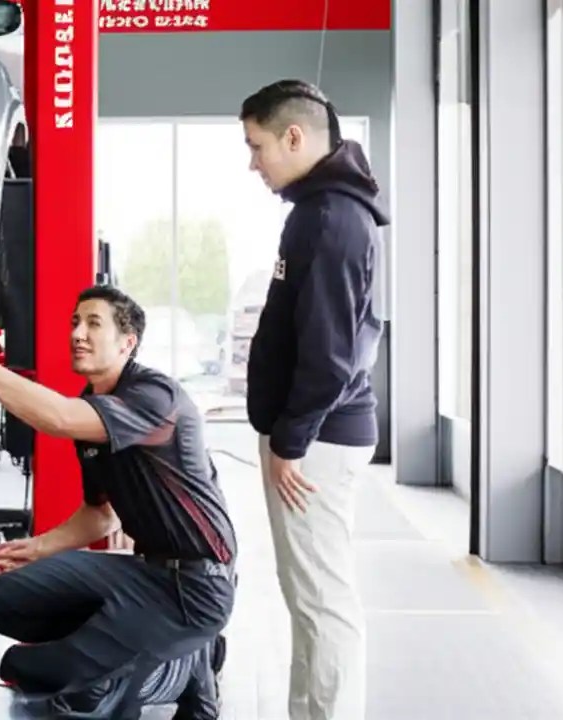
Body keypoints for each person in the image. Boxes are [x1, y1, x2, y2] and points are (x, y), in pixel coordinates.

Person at [0, 285, 238, 719]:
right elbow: (101, 514)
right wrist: (36, 547)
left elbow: (58, 417)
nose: (78, 334)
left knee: (33, 671)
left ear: (128, 343)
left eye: (93, 323)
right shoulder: (93, 407)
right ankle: (154, 650)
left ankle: (183, 662)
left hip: (197, 588)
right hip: (147, 574)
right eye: (74, 322)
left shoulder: (154, 395)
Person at [240, 79, 388, 720]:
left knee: (322, 600)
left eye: (257, 146)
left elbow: (328, 358)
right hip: (316, 437)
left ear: (294, 137)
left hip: (317, 443)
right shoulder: (323, 212)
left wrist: (290, 443)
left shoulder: (330, 221)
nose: (254, 163)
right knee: (307, 597)